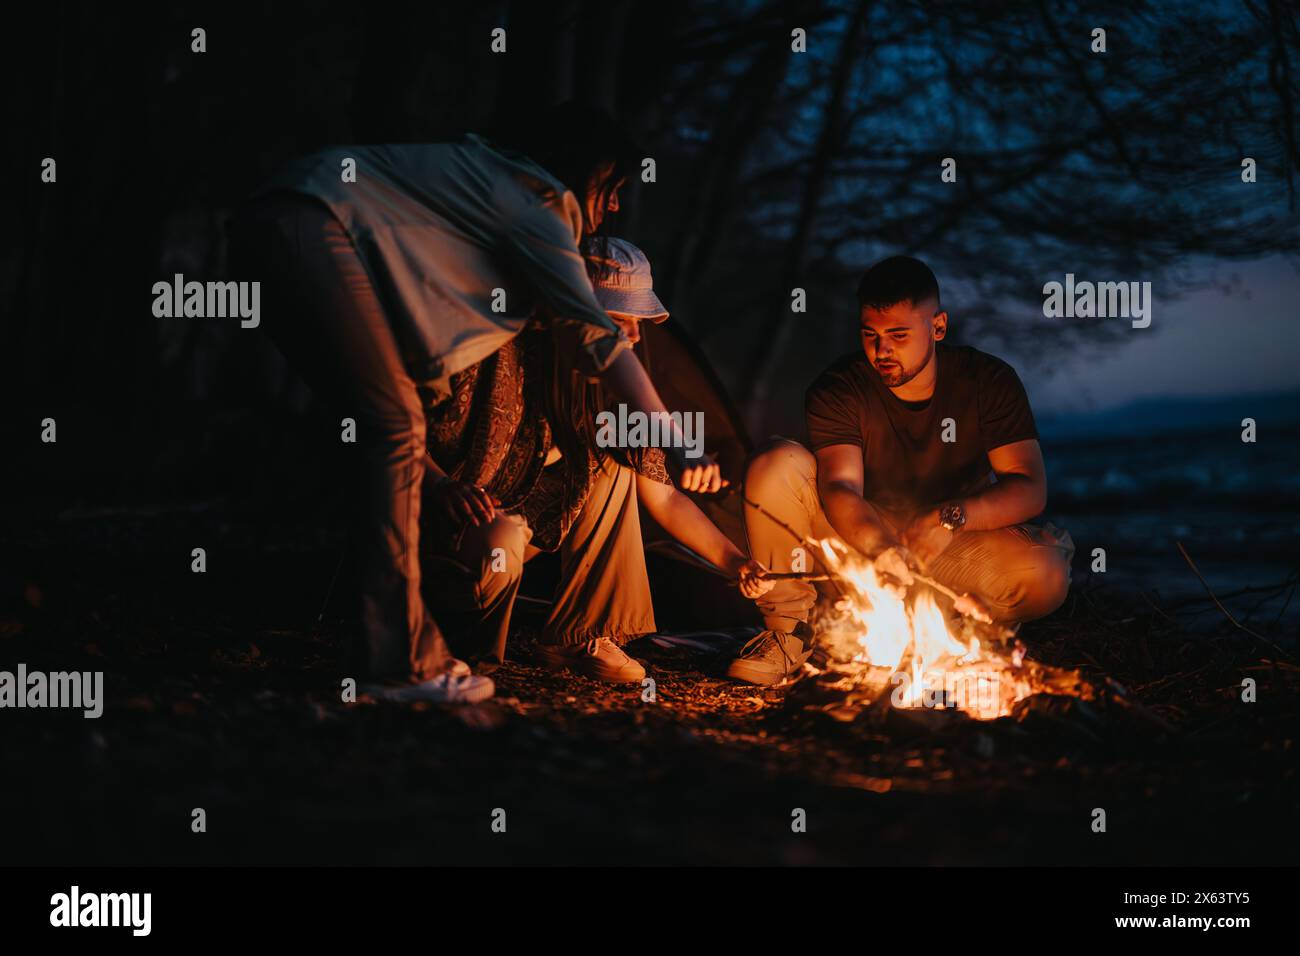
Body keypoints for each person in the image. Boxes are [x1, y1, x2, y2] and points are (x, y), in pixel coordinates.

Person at [227, 105, 721, 703]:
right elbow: (594, 337)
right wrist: (677, 438)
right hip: (310, 220)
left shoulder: (487, 185)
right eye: (612, 187)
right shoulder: (538, 203)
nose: (613, 205)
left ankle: (395, 653)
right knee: (393, 427)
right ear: (581, 173)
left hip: (277, 218)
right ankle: (398, 663)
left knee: (389, 424)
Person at [421, 238, 772, 681]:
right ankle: (458, 659)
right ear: (573, 311)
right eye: (619, 319)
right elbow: (396, 431)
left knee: (613, 468)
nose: (634, 335)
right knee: (503, 540)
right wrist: (438, 484)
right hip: (450, 523)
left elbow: (662, 498)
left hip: (521, 529)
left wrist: (735, 562)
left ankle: (577, 637)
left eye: (639, 320)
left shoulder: (611, 389)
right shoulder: (493, 350)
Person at [728, 255, 1074, 686]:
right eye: (870, 335)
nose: (882, 350)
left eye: (898, 335)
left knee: (1044, 572)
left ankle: (963, 629)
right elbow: (840, 485)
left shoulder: (987, 381)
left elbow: (1028, 488)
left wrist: (948, 519)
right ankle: (789, 632)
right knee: (775, 462)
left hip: (954, 545)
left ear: (938, 327)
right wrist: (882, 548)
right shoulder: (841, 388)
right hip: (860, 539)